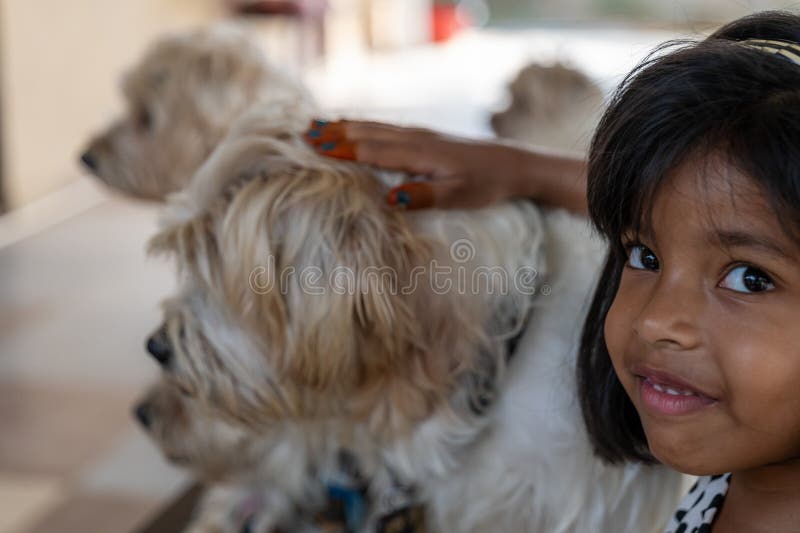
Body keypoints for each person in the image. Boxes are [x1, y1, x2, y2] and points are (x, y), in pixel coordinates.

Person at [306, 10, 800, 531]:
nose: (656, 320)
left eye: (750, 278)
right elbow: (683, 212)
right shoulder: (740, 476)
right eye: (643, 257)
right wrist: (522, 170)